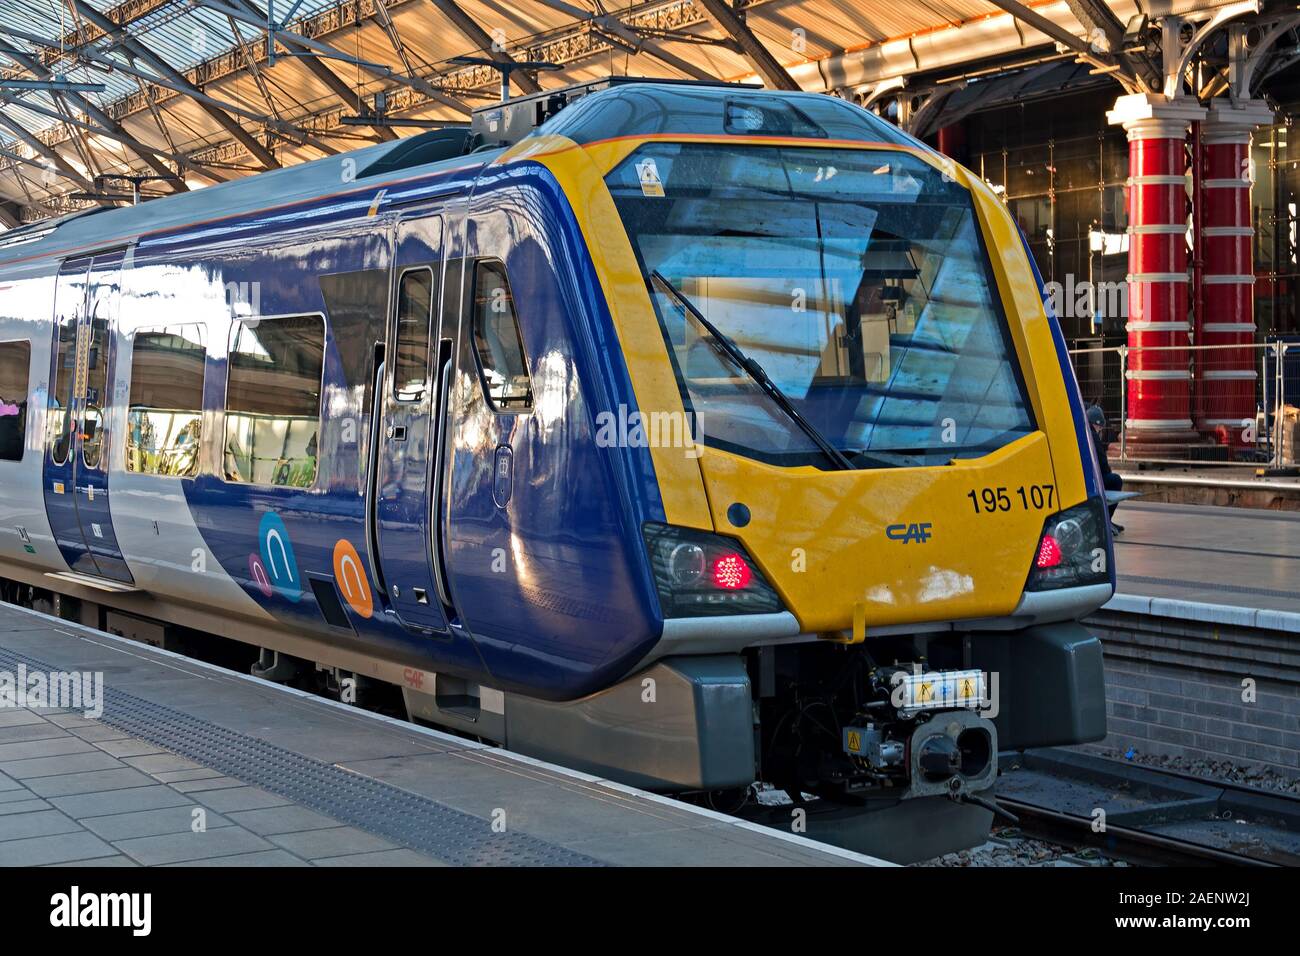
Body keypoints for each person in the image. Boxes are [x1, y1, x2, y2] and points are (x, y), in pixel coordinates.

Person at [1087, 404, 1123, 534]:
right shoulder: (1093, 435)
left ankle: (1105, 520)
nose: (1100, 430)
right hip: (1092, 480)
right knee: (1115, 480)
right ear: (1095, 424)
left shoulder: (1081, 432)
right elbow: (1102, 462)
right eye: (1100, 427)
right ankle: (1106, 520)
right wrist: (1108, 472)